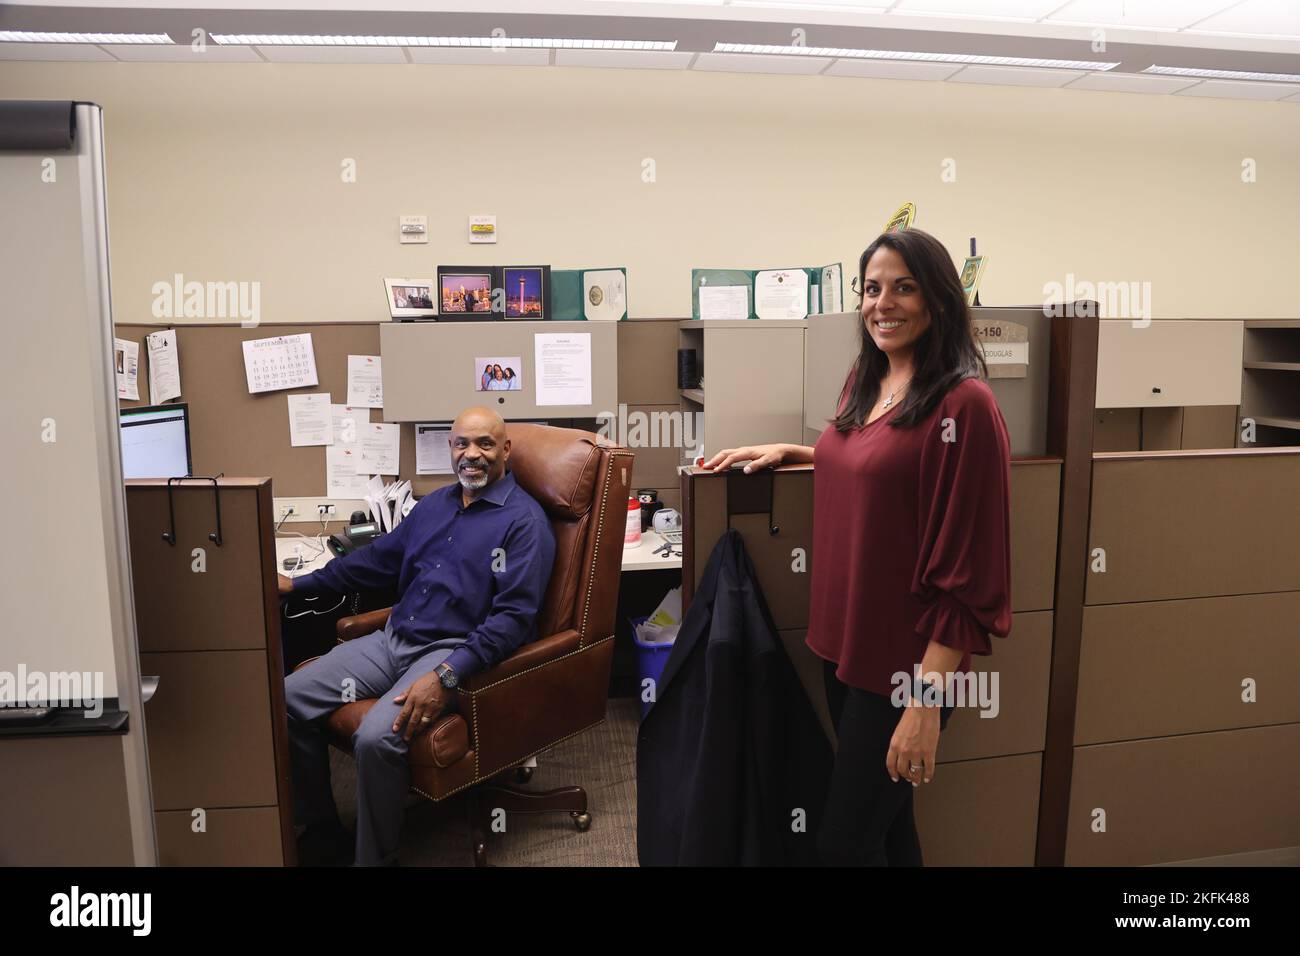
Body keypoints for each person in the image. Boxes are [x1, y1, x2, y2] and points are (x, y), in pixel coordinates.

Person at [703, 228, 1011, 867]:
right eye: (872, 289)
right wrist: (801, 453)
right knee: (890, 832)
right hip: (844, 650)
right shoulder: (865, 381)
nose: (883, 303)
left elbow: (970, 570)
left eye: (903, 287)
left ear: (938, 300)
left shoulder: (965, 404)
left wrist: (927, 704)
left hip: (906, 672)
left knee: (842, 845)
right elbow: (883, 466)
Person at [279, 407, 556, 866]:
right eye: (462, 444)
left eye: (485, 444)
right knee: (288, 699)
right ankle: (323, 828)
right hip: (393, 639)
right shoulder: (434, 506)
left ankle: (376, 859)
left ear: (505, 450)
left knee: (375, 738)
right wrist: (300, 585)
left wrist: (446, 675)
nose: (472, 455)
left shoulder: (523, 524)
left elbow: (512, 620)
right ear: (450, 448)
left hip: (451, 652)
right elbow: (375, 561)